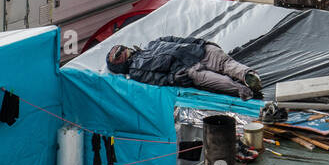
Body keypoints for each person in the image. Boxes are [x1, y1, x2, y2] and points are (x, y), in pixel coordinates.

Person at [107, 37, 263, 100]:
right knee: (222, 81)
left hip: (198, 51)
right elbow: (155, 79)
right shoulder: (136, 70)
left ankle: (248, 76)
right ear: (119, 64)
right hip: (188, 70)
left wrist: (200, 42)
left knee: (226, 64)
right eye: (118, 54)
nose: (122, 51)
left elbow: (177, 39)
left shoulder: (153, 43)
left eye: (121, 49)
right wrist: (174, 79)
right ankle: (247, 90)